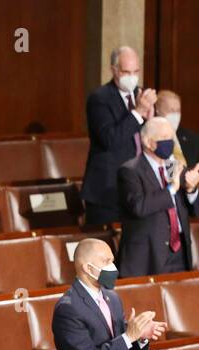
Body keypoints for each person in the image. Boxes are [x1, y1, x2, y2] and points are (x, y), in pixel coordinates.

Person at [117, 116, 199, 277]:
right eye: (164, 138)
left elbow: (197, 210)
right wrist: (171, 189)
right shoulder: (130, 170)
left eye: (171, 138)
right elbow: (139, 206)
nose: (170, 142)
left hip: (179, 254)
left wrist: (192, 189)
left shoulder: (173, 167)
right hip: (148, 257)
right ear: (148, 142)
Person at [81, 46, 154, 227]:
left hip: (137, 188)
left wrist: (150, 120)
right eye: (126, 71)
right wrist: (138, 113)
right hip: (108, 192)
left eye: (136, 71)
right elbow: (109, 139)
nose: (132, 77)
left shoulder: (142, 95)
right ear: (114, 70)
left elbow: (151, 141)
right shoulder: (99, 98)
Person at [155, 90, 199, 168]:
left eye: (178, 110)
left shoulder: (193, 139)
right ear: (158, 111)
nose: (175, 115)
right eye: (171, 110)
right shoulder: (150, 139)